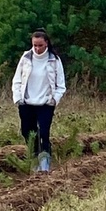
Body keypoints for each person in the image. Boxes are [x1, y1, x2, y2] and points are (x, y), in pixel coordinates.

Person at [11, 29, 66, 171]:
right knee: (27, 132)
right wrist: (18, 98)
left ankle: (45, 162)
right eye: (34, 45)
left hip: (45, 104)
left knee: (43, 132)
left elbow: (61, 85)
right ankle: (34, 156)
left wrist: (54, 99)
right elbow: (17, 80)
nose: (37, 48)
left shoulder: (54, 60)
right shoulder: (26, 58)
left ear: (46, 43)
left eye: (40, 45)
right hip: (27, 103)